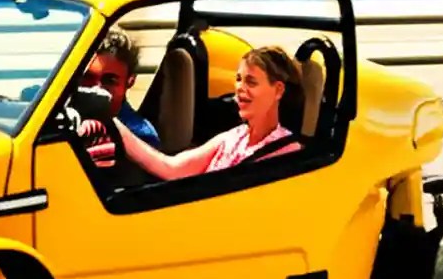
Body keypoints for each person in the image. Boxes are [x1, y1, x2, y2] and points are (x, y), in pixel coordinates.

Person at [112, 45, 303, 180]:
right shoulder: (234, 137)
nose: (240, 88)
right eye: (238, 79)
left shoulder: (286, 152)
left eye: (251, 82)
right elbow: (171, 168)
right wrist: (113, 123)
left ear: (278, 90)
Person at [80, 24, 160, 148]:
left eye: (110, 81)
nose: (97, 88)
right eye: (88, 78)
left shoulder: (141, 136)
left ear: (130, 82)